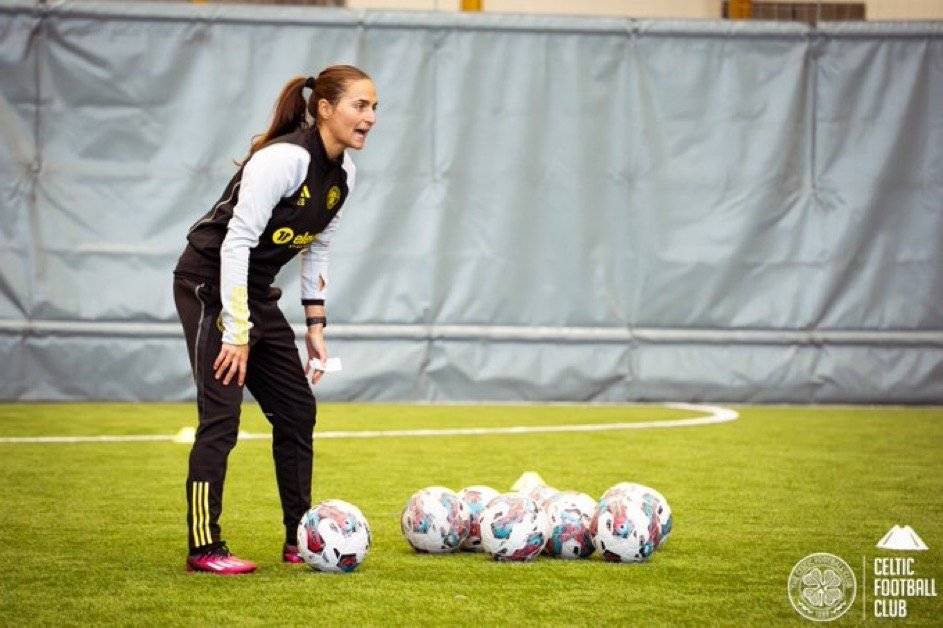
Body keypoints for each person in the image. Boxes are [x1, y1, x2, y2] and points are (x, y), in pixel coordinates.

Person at [172, 65, 378, 574]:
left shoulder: (344, 175)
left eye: (375, 108)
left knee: (296, 412)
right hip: (207, 283)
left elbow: (318, 249)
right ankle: (205, 547)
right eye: (360, 106)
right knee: (221, 420)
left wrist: (315, 329)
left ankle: (300, 536)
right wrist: (237, 333)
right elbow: (236, 243)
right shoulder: (282, 160)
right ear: (324, 109)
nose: (370, 118)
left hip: (252, 292)